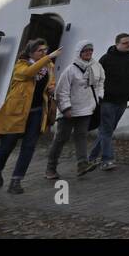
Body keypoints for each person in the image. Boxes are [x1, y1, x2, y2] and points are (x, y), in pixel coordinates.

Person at [0, 38, 60, 193]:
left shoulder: (49, 66)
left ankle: (16, 181)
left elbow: (51, 81)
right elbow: (28, 73)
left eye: (45, 50)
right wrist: (48, 57)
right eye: (40, 51)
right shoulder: (21, 65)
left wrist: (52, 87)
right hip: (17, 112)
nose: (44, 53)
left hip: (37, 112)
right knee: (7, 145)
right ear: (31, 53)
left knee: (29, 147)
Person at [46, 42, 105, 180]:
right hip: (70, 111)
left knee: (81, 136)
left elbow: (100, 83)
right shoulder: (70, 70)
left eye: (90, 50)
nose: (89, 53)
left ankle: (82, 164)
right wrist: (66, 108)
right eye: (85, 51)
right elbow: (61, 91)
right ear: (79, 52)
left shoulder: (96, 67)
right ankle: (50, 168)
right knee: (61, 139)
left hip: (86, 110)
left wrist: (98, 98)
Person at [88, 33, 129, 170]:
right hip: (107, 101)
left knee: (108, 130)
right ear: (117, 44)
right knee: (106, 130)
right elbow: (96, 78)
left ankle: (91, 158)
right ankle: (107, 160)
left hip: (123, 101)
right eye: (125, 43)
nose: (128, 44)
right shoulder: (106, 59)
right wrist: (97, 97)